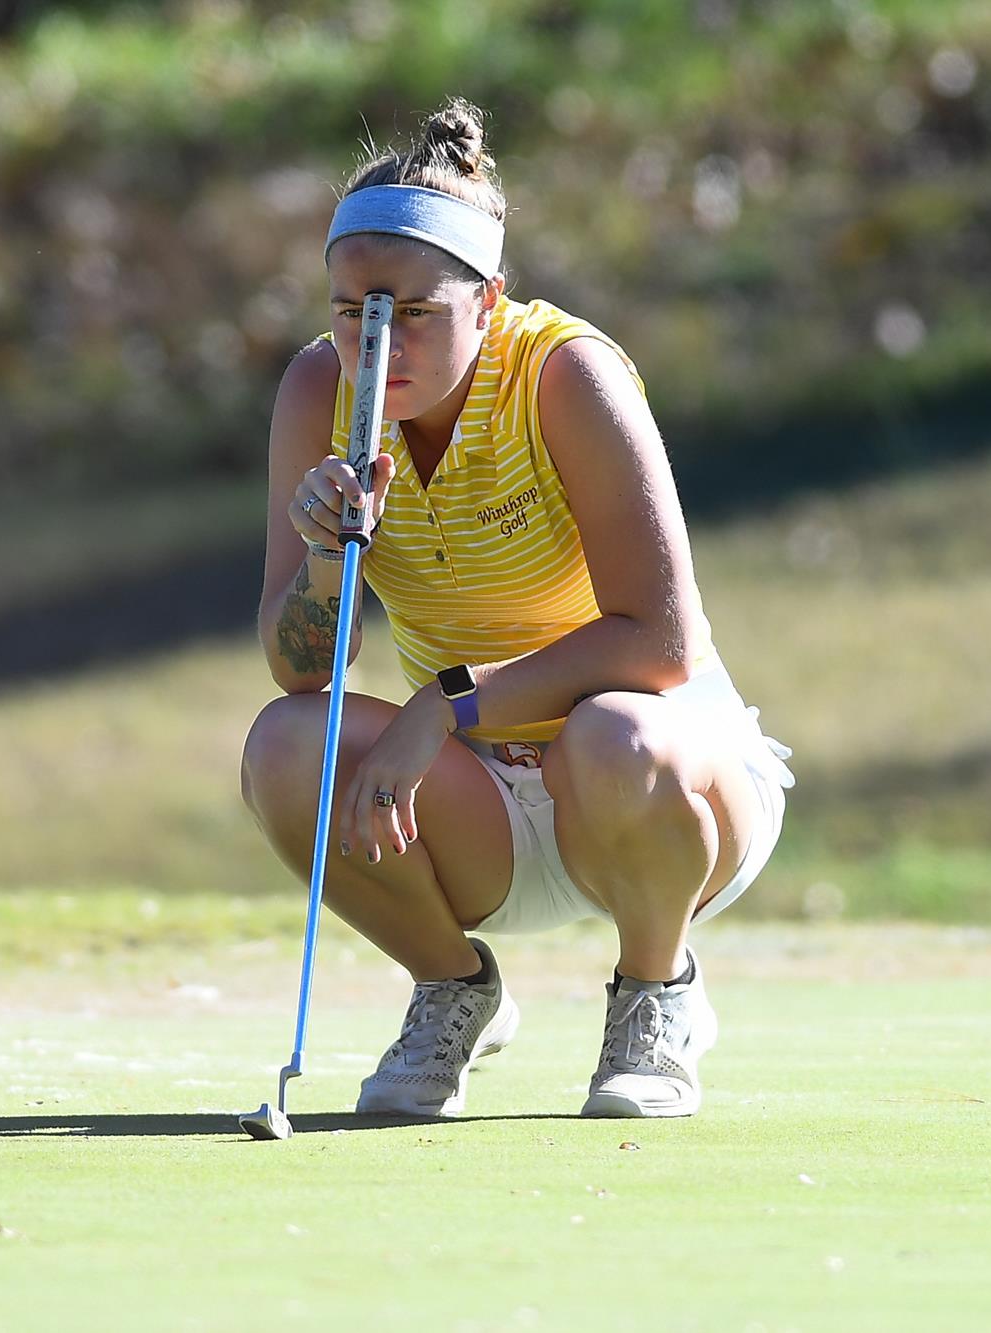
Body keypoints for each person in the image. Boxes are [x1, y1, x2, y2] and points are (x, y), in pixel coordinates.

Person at [240, 98, 795, 1119]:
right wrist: (325, 555)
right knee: (285, 746)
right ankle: (452, 988)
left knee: (614, 731)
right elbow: (298, 668)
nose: (374, 341)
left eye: (409, 310)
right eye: (348, 308)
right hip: (477, 803)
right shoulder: (315, 391)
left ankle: (653, 991)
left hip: (659, 784)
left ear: (486, 300)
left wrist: (443, 705)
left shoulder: (563, 375)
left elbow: (657, 641)